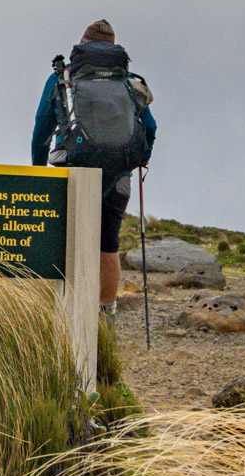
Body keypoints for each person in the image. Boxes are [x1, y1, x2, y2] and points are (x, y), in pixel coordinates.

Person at [31, 20, 156, 314]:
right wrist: (142, 157)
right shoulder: (128, 81)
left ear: (82, 44)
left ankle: (68, 311)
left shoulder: (63, 78)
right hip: (119, 176)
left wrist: (38, 171)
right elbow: (149, 126)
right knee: (108, 246)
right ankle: (106, 316)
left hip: (72, 169)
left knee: (66, 241)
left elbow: (41, 132)